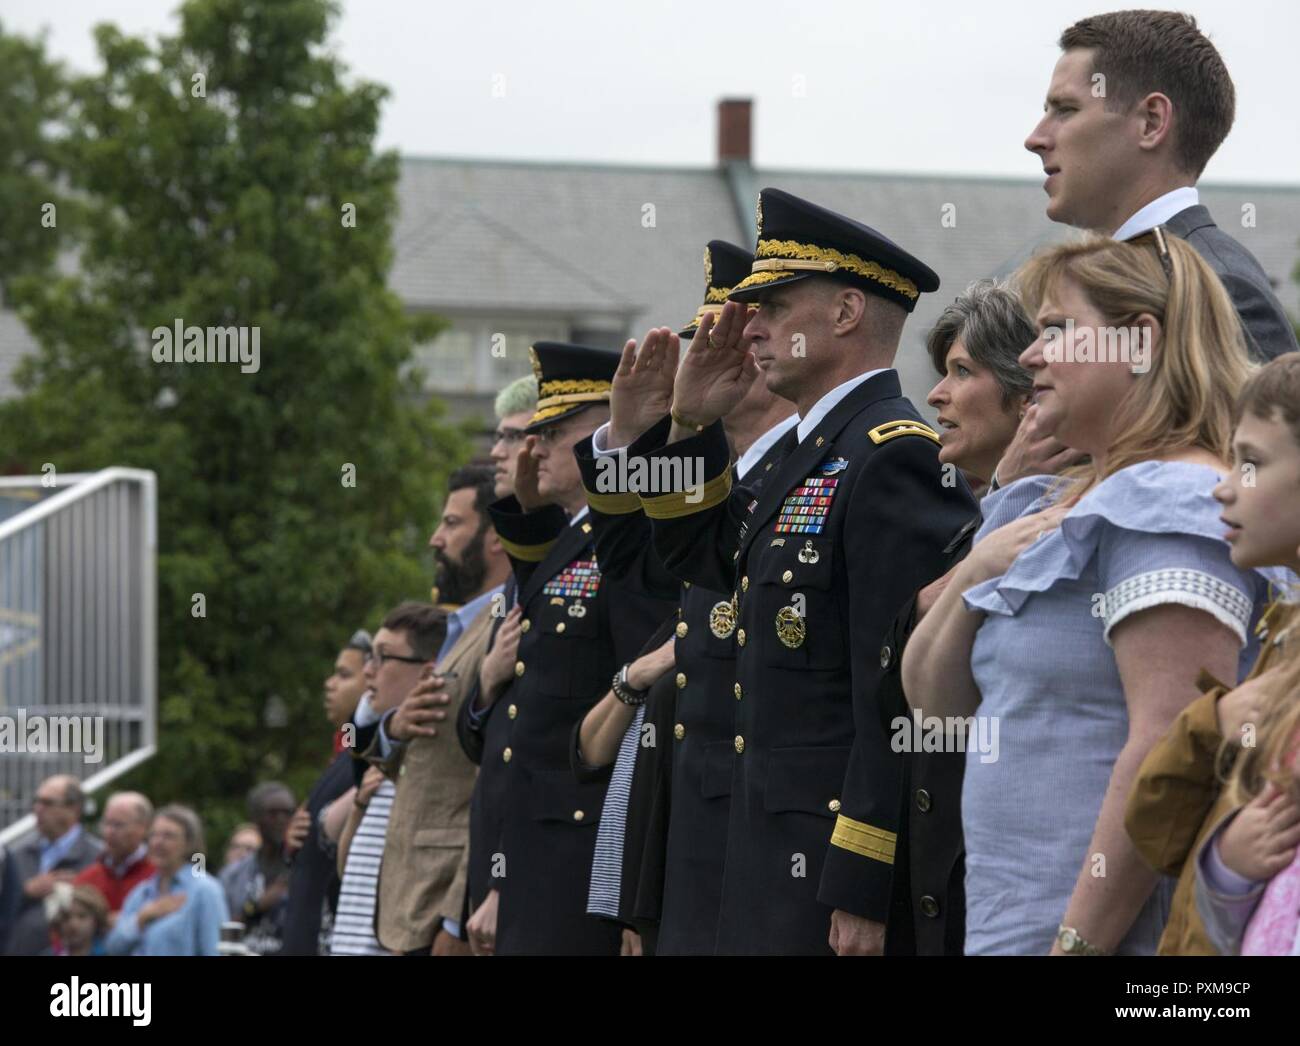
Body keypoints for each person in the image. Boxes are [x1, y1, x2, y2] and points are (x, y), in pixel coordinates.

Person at [623, 188, 979, 954]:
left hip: (827, 865)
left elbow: (900, 694)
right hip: (760, 851)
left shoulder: (891, 454)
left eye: (776, 305)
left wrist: (862, 877)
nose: (750, 325)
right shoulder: (802, 455)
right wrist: (685, 426)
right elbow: (697, 564)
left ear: (847, 314)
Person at [904, 229, 1279, 955]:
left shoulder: (1176, 501)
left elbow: (1169, 742)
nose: (1030, 355)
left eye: (1056, 330)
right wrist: (977, 571)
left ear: (1138, 342)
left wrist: (1077, 943)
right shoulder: (1053, 500)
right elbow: (932, 703)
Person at [572, 240, 798, 954]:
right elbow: (637, 579)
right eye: (698, 341)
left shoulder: (806, 470)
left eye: (718, 340)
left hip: (763, 822)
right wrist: (634, 435)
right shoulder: (708, 474)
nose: (699, 358)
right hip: (684, 819)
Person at [484, 341, 675, 955]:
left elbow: (644, 701)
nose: (532, 446)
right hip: (537, 849)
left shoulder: (624, 538)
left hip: (586, 851)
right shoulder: (575, 536)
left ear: (608, 425)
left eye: (555, 430)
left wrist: (627, 885)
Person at [878, 280, 1036, 956]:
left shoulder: (1060, 528)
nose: (936, 394)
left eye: (962, 372)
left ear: (1028, 399)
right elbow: (893, 684)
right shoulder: (973, 525)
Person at [1126, 354, 1300, 952]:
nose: (1224, 485)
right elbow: (1155, 831)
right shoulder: (1284, 636)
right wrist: (1213, 722)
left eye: (1251, 462)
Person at [1025, 9, 1297, 361]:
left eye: (1065, 109)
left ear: (1152, 122)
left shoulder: (1219, 289)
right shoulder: (1118, 279)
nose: (1035, 138)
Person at [366, 465, 510, 955]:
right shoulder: (459, 628)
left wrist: (456, 914)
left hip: (444, 911)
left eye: (452, 524)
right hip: (408, 907)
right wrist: (392, 728)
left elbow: (491, 776)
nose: (435, 539)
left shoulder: (505, 624)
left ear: (495, 539)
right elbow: (426, 753)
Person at [458, 375, 540, 955]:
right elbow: (482, 744)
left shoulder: (584, 556)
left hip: (539, 874)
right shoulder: (525, 573)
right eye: (499, 437)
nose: (497, 452)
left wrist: (505, 882)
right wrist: (486, 686)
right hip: (491, 864)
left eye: (513, 437)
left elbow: (549, 750)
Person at [327, 603, 447, 956]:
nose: (369, 672)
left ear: (427, 672)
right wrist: (360, 805)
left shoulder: (432, 755)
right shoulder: (385, 751)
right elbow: (347, 866)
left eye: (383, 657)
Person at [280, 629, 371, 955]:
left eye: (344, 674)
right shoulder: (346, 752)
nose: (329, 684)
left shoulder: (375, 757)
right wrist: (293, 841)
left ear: (373, 677)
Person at [107, 805, 227, 956]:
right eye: (154, 835)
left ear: (189, 844)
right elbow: (113, 948)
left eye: (168, 836)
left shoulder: (205, 890)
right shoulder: (142, 892)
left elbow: (215, 951)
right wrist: (141, 918)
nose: (158, 842)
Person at [4, 775, 103, 955]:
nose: (37, 809)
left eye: (47, 803)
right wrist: (25, 891)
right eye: (36, 802)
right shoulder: (17, 854)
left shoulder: (97, 856)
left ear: (74, 808)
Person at [219, 781, 296, 955]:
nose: (281, 820)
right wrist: (256, 907)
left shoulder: (304, 871)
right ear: (256, 817)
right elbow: (220, 928)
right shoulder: (233, 875)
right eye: (273, 814)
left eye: (288, 813)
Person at [74, 792, 155, 922]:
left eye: (118, 825)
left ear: (143, 828)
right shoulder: (88, 878)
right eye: (106, 823)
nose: (109, 832)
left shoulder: (160, 875)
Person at [44, 883, 111, 957]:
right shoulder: (49, 954)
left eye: (82, 916)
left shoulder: (110, 952)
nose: (74, 924)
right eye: (66, 917)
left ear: (96, 921)